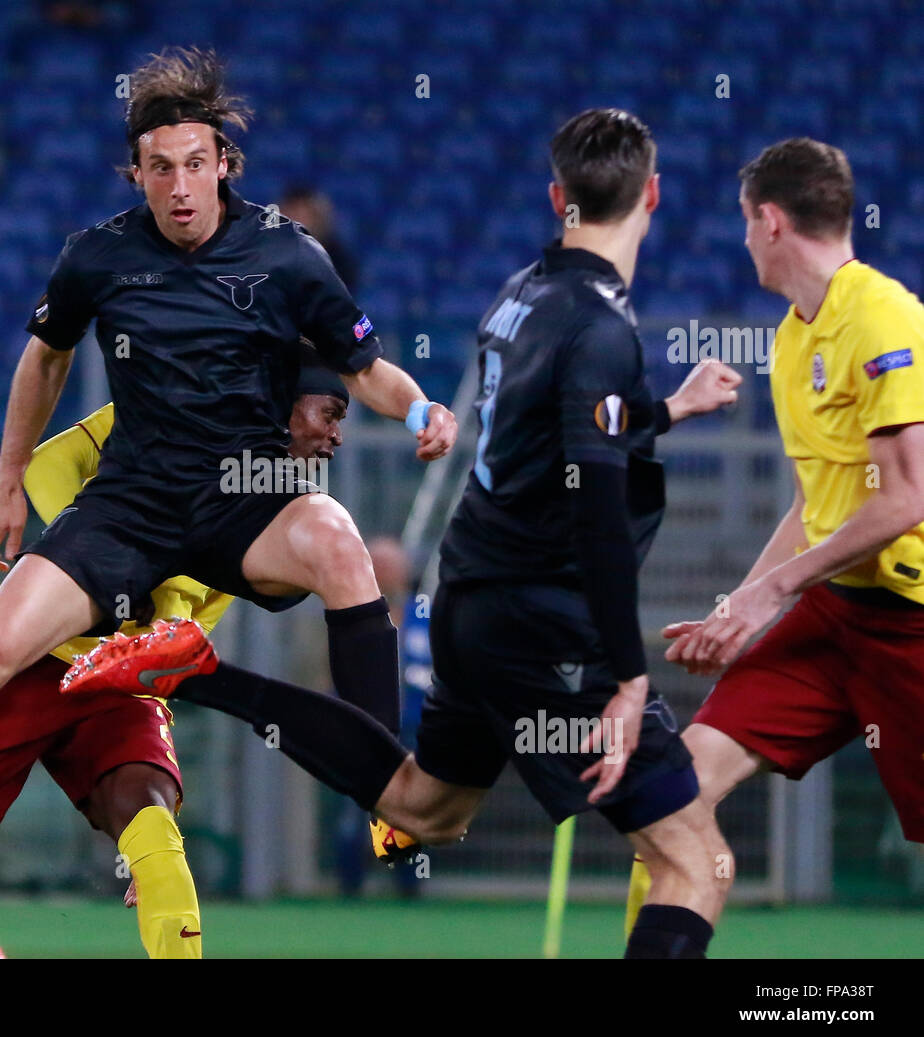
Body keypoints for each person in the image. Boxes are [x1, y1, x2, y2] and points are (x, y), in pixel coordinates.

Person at [0, 46, 456, 914]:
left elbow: (367, 370)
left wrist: (421, 409)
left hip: (248, 499)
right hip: (129, 507)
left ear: (224, 164)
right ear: (137, 173)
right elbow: (40, 362)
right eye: (160, 169)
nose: (180, 186)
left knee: (342, 546)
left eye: (196, 164)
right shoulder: (97, 257)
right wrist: (8, 481)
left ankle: (391, 796)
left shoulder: (287, 254)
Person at [74, 108, 743, 959]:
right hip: (553, 631)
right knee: (698, 862)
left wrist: (668, 409)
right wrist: (630, 677)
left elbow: (555, 438)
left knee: (420, 806)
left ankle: (199, 669)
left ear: (556, 197)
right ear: (653, 193)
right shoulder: (605, 325)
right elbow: (597, 514)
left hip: (470, 600)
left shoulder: (522, 298)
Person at [0, 362, 349, 960]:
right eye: (330, 414)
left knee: (152, 825)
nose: (336, 437)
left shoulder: (294, 509)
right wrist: (94, 553)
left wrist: (160, 630)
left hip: (122, 680)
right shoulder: (164, 412)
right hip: (39, 659)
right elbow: (48, 467)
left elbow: (206, 614)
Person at [625, 137, 924, 929]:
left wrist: (771, 592)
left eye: (743, 222)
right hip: (831, 619)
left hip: (912, 627)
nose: (743, 239)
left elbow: (906, 499)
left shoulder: (886, 316)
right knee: (670, 791)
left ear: (769, 221)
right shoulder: (792, 337)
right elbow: (815, 503)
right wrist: (739, 606)